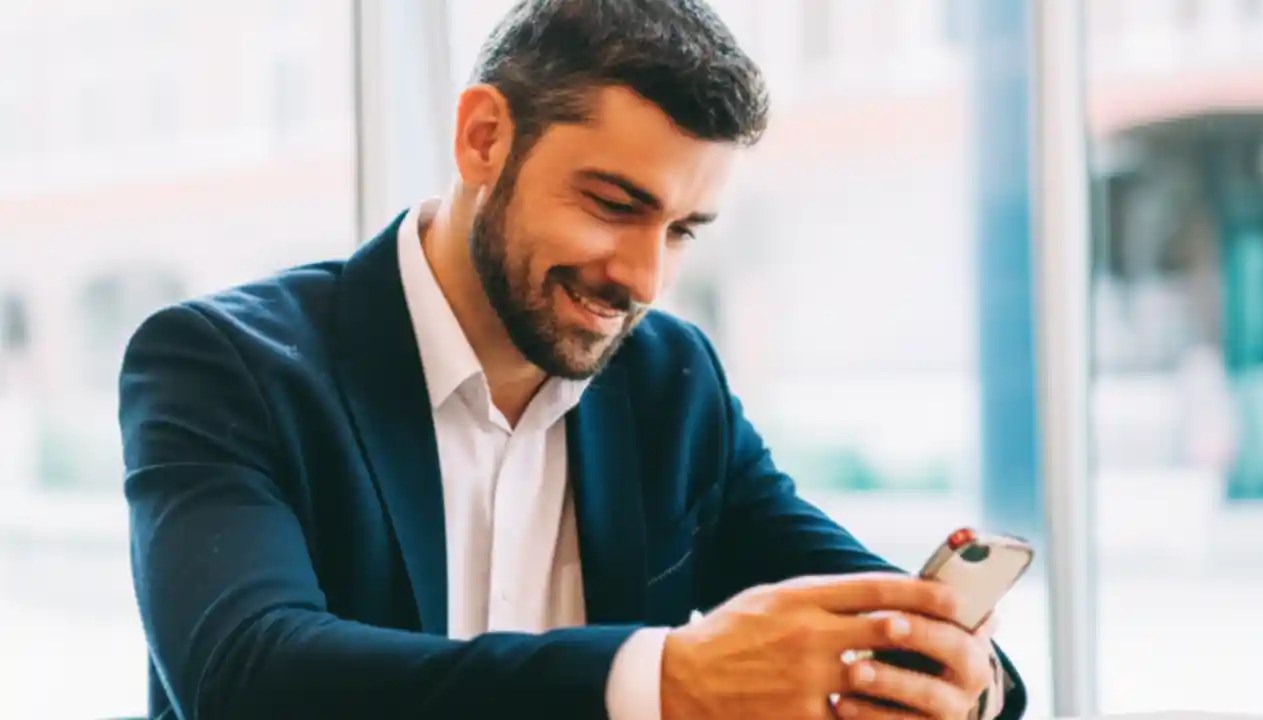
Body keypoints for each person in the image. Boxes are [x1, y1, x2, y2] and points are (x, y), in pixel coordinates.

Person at [119, 1, 1026, 718]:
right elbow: (246, 676)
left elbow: (868, 605)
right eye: (612, 205)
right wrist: (665, 682)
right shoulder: (224, 364)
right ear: (484, 138)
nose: (643, 277)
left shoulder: (669, 381)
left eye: (681, 231)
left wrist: (959, 681)